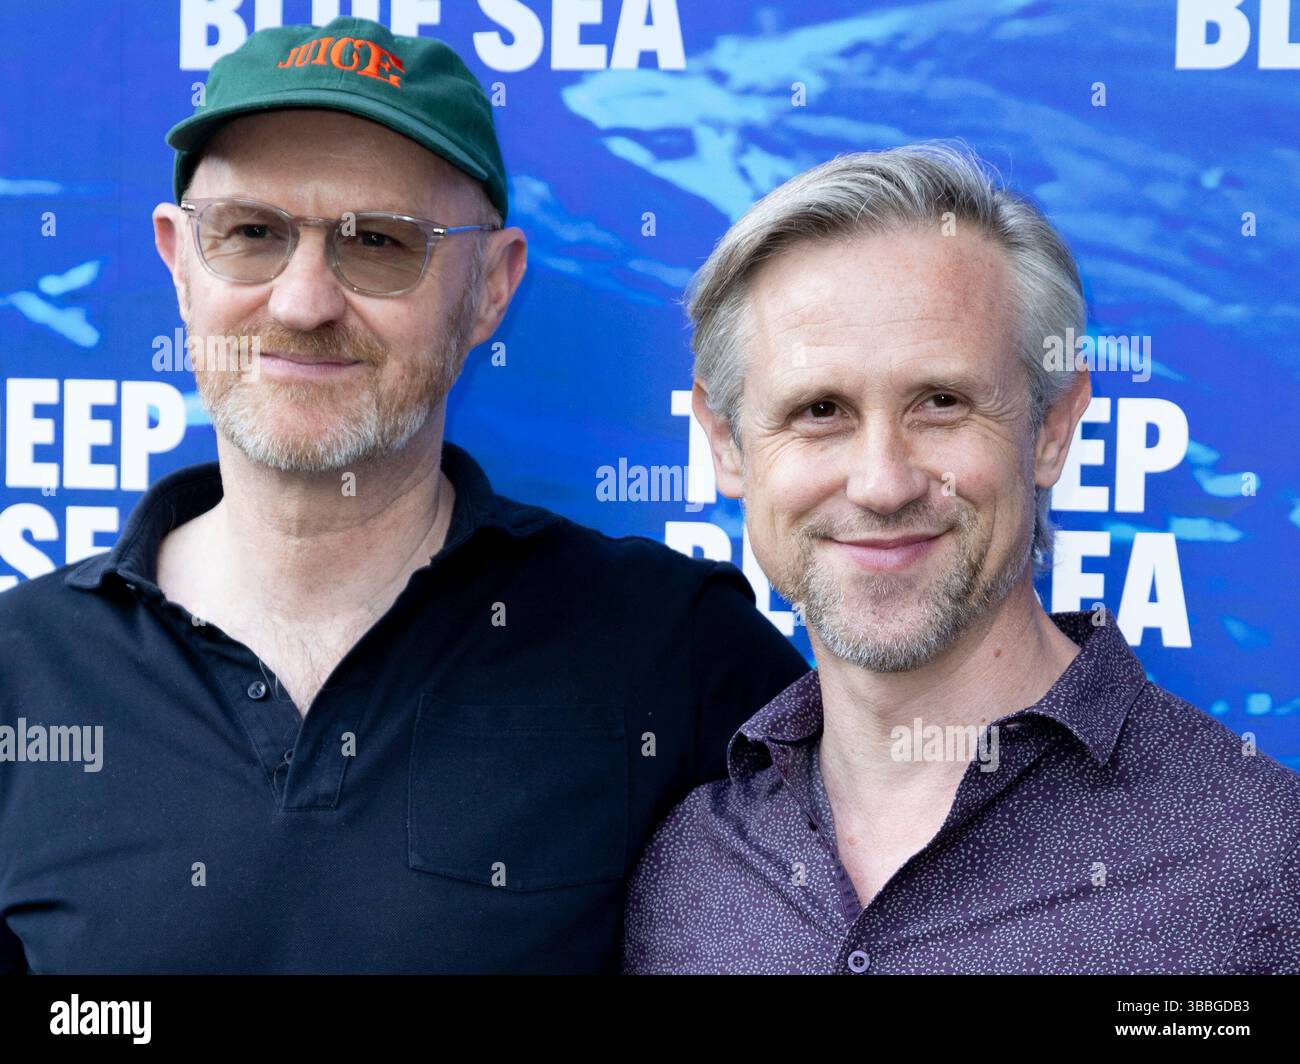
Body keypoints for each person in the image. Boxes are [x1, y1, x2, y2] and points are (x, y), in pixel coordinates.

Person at [0, 16, 808, 974]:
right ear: (179, 262)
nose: (303, 303)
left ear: (493, 289)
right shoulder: (23, 672)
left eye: (379, 242)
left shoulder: (670, 651)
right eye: (252, 233)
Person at [622, 144, 1300, 974]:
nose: (881, 483)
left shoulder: (1264, 865)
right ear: (725, 444)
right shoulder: (689, 866)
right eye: (819, 409)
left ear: (1051, 427)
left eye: (941, 403)